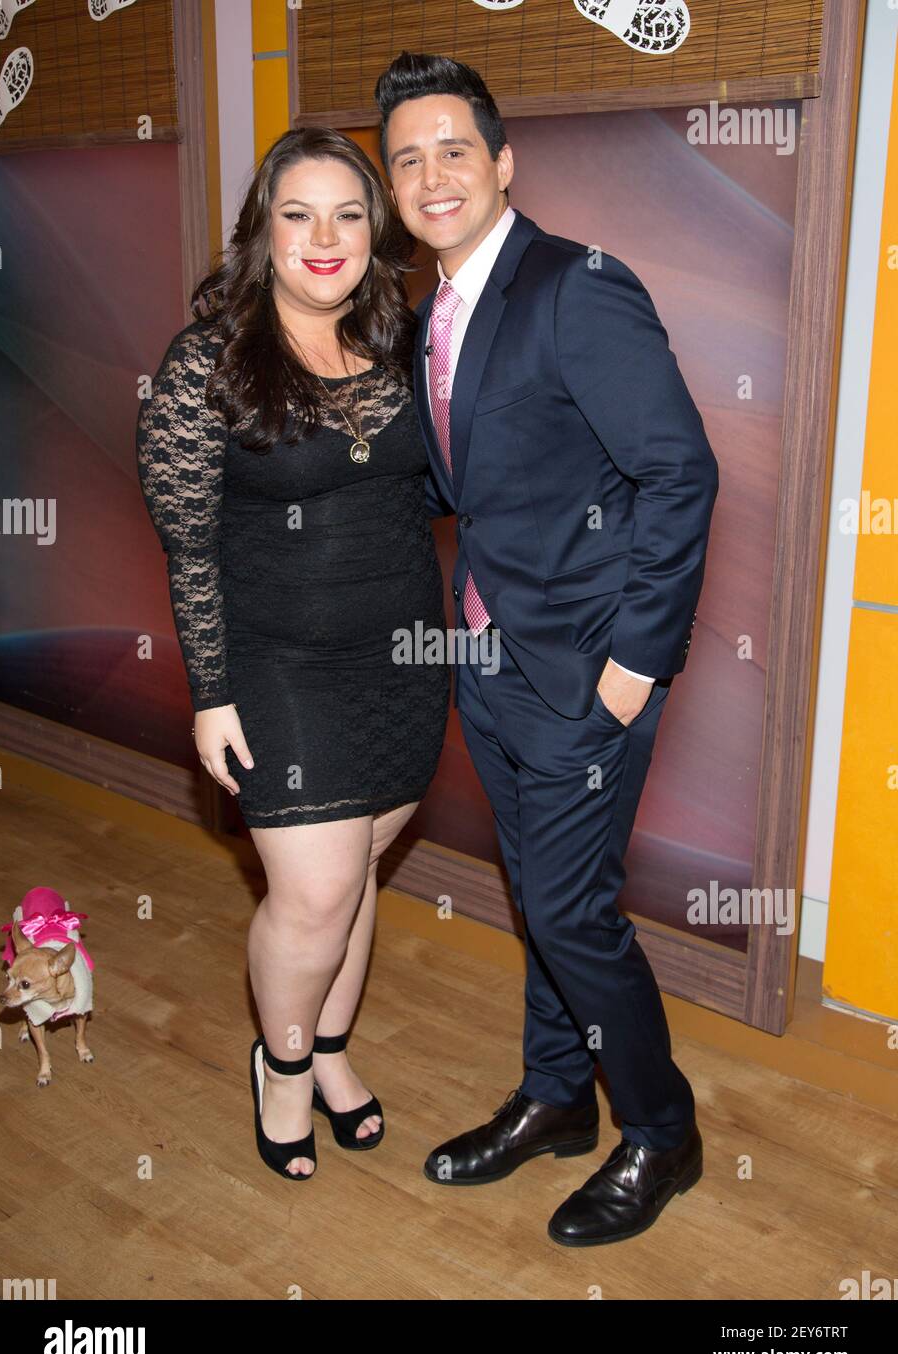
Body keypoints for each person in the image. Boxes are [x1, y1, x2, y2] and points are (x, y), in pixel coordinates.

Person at [375, 51, 719, 1245]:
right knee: (540, 899)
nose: (431, 175)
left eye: (452, 149)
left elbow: (681, 471)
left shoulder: (577, 286)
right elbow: (457, 479)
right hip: (489, 661)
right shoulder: (434, 317)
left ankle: (661, 1130)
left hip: (588, 673)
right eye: (407, 157)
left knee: (573, 912)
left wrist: (638, 660)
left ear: (502, 161)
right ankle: (557, 1098)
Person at [136, 126, 450, 1181]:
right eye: (298, 213)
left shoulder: (406, 339)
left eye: (350, 214)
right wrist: (212, 694)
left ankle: (329, 1051)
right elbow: (187, 542)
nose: (326, 237)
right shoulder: (208, 361)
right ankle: (278, 1066)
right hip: (274, 661)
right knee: (312, 890)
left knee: (357, 868)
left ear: (377, 232)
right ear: (262, 232)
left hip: (404, 654)